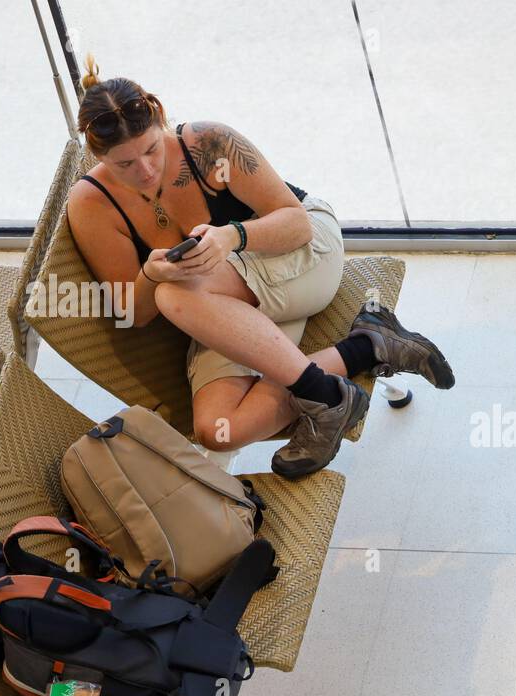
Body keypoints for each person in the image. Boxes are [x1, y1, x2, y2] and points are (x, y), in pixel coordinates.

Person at [66, 54, 454, 478]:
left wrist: (234, 235)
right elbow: (133, 313)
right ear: (97, 154)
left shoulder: (208, 144)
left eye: (152, 150)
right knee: (219, 429)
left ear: (160, 122)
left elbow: (297, 225)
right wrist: (150, 274)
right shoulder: (91, 205)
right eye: (125, 164)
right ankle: (368, 345)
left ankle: (325, 398)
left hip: (300, 255)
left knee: (173, 294)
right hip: (224, 306)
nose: (144, 170)